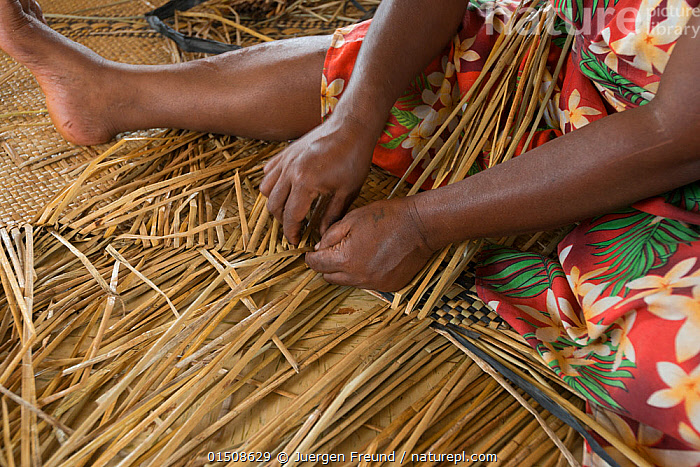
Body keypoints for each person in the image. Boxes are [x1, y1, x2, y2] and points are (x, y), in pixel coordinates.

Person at [1, 0, 698, 464]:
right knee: (417, 59)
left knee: (675, 372)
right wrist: (353, 119)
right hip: (562, 65)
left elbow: (675, 133)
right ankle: (115, 93)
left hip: (672, 148)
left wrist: (425, 222)